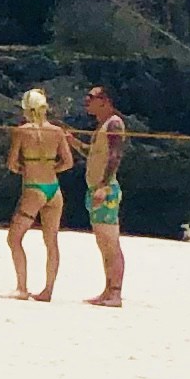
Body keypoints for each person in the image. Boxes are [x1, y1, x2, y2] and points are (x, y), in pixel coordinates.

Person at [2, 87, 75, 301]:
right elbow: (68, 162)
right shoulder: (57, 131)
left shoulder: (22, 131)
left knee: (14, 238)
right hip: (54, 188)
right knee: (51, 241)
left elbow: (12, 163)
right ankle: (48, 290)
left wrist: (26, 169)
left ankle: (22, 287)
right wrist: (51, 169)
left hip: (33, 188)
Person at [81, 84, 130, 309]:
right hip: (96, 189)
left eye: (91, 97)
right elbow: (94, 155)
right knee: (103, 243)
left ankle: (116, 292)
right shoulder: (102, 126)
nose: (86, 101)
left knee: (111, 243)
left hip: (106, 190)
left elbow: (115, 155)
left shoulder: (114, 123)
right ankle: (107, 289)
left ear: (105, 100)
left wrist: (104, 185)